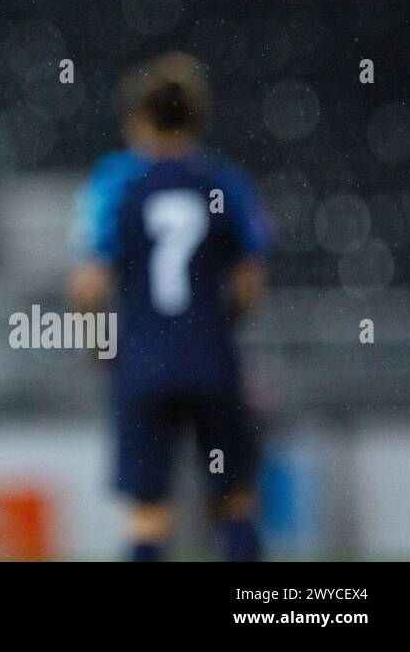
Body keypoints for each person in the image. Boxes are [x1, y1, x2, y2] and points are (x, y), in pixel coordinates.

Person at [67, 52, 271, 562]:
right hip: (212, 359)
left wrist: (97, 347)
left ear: (138, 118)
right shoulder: (224, 182)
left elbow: (89, 286)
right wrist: (219, 326)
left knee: (148, 514)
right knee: (234, 502)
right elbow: (250, 279)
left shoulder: (117, 183)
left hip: (142, 363)